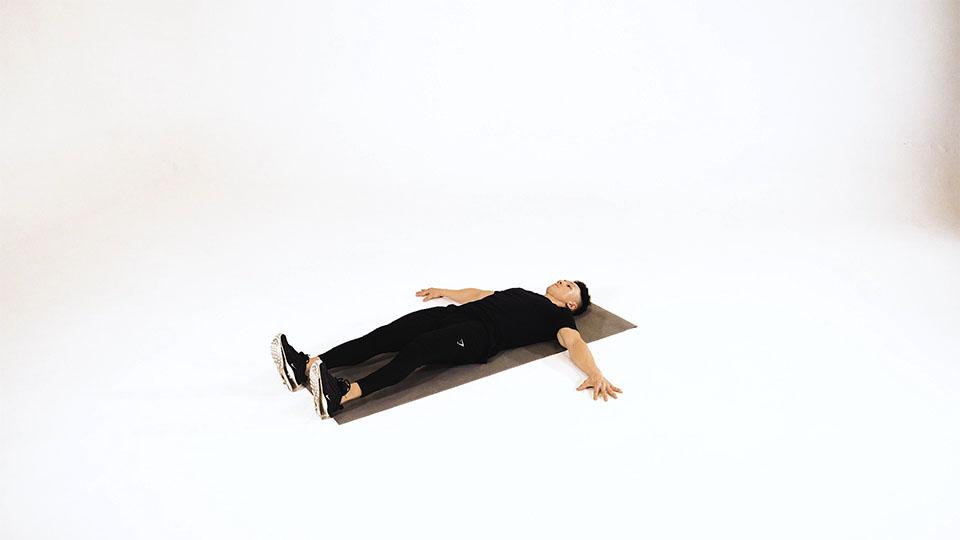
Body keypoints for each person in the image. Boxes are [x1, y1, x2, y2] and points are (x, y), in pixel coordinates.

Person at [271, 279, 623, 419]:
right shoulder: (524, 293)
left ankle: (341, 395)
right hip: (453, 316)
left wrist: (594, 372)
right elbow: (482, 294)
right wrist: (446, 291)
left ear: (571, 304)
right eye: (564, 279)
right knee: (387, 335)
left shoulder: (558, 318)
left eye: (569, 287)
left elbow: (575, 344)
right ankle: (307, 365)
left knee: (419, 349)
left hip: (479, 337)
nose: (562, 281)